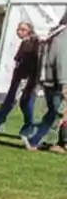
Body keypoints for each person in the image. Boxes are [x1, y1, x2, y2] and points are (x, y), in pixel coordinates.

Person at [0, 21, 40, 139]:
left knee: (24, 103)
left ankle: (28, 127)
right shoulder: (24, 43)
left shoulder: (34, 43)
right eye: (19, 29)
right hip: (19, 77)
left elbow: (33, 62)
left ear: (29, 31)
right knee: (13, 101)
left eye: (23, 29)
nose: (19, 31)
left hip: (27, 78)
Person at [24, 12, 67, 153]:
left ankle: (43, 139)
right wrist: (64, 84)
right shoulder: (63, 36)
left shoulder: (55, 34)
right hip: (57, 81)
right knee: (55, 113)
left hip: (50, 79)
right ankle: (34, 138)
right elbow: (62, 61)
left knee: (54, 112)